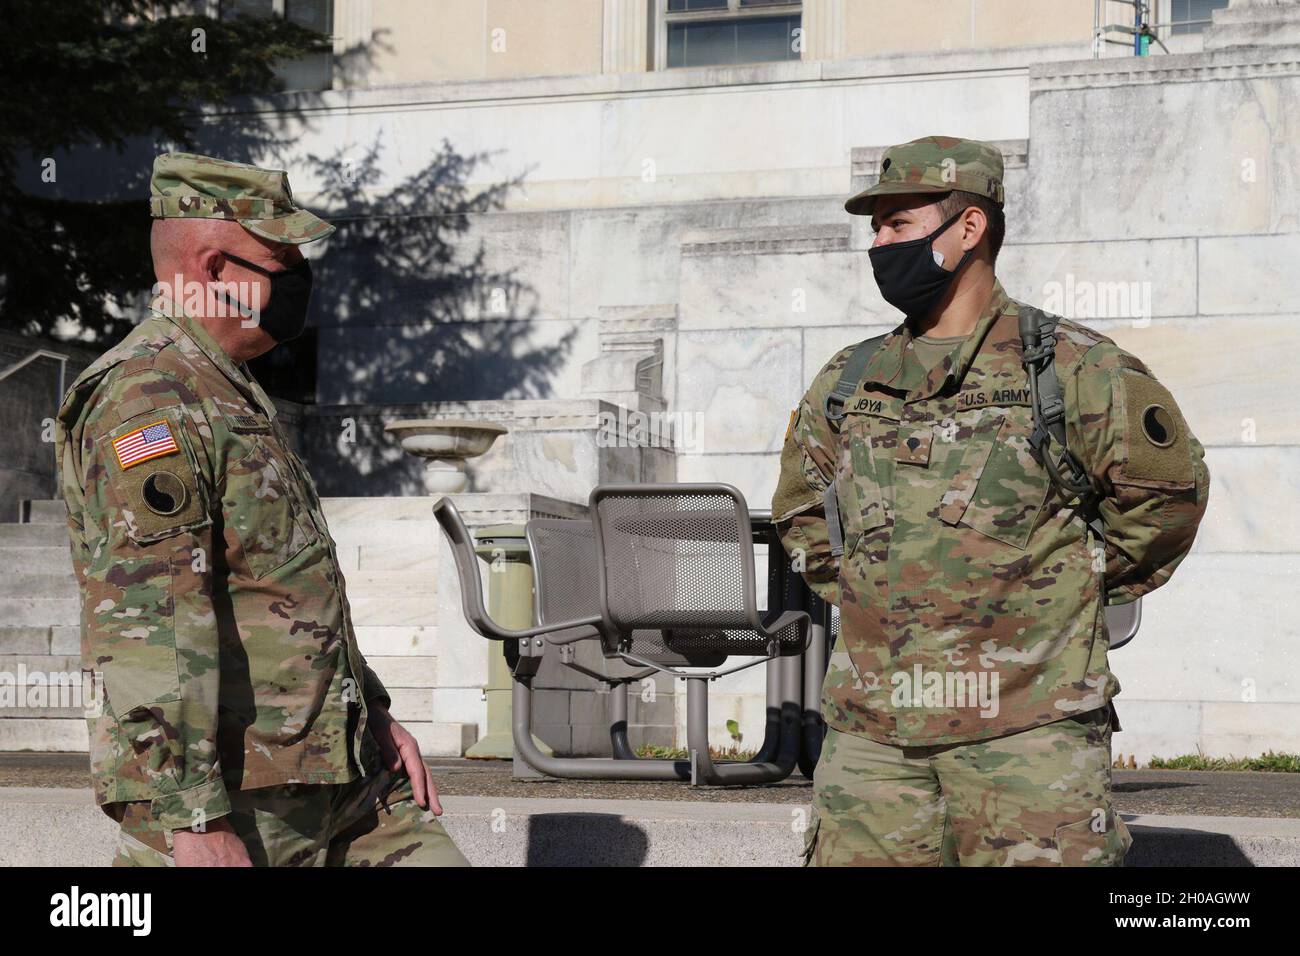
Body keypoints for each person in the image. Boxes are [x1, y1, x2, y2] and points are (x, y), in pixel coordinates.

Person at [772, 136, 1210, 866]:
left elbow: (1167, 500)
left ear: (968, 227)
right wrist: (876, 597)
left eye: (897, 224)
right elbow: (801, 514)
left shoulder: (1073, 367)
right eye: (874, 229)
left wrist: (1062, 589)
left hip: (1028, 733)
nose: (878, 244)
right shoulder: (849, 379)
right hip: (873, 741)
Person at [56, 152, 469, 867]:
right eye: (282, 260)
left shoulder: (226, 386)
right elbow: (152, 621)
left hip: (345, 778)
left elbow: (290, 580)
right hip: (243, 799)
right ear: (215, 269)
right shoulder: (148, 395)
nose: (299, 277)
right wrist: (193, 815)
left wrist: (371, 712)